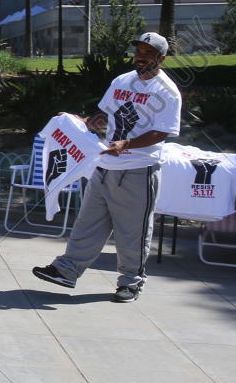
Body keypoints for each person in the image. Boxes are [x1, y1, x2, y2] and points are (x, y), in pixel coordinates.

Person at [33, 32, 182, 302]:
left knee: (132, 230)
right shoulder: (122, 81)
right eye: (138, 51)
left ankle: (131, 282)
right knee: (88, 222)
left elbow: (162, 132)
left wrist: (126, 144)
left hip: (138, 169)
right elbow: (105, 116)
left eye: (148, 53)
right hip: (104, 164)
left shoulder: (167, 91)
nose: (140, 57)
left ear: (161, 58)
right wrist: (82, 122)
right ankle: (67, 270)